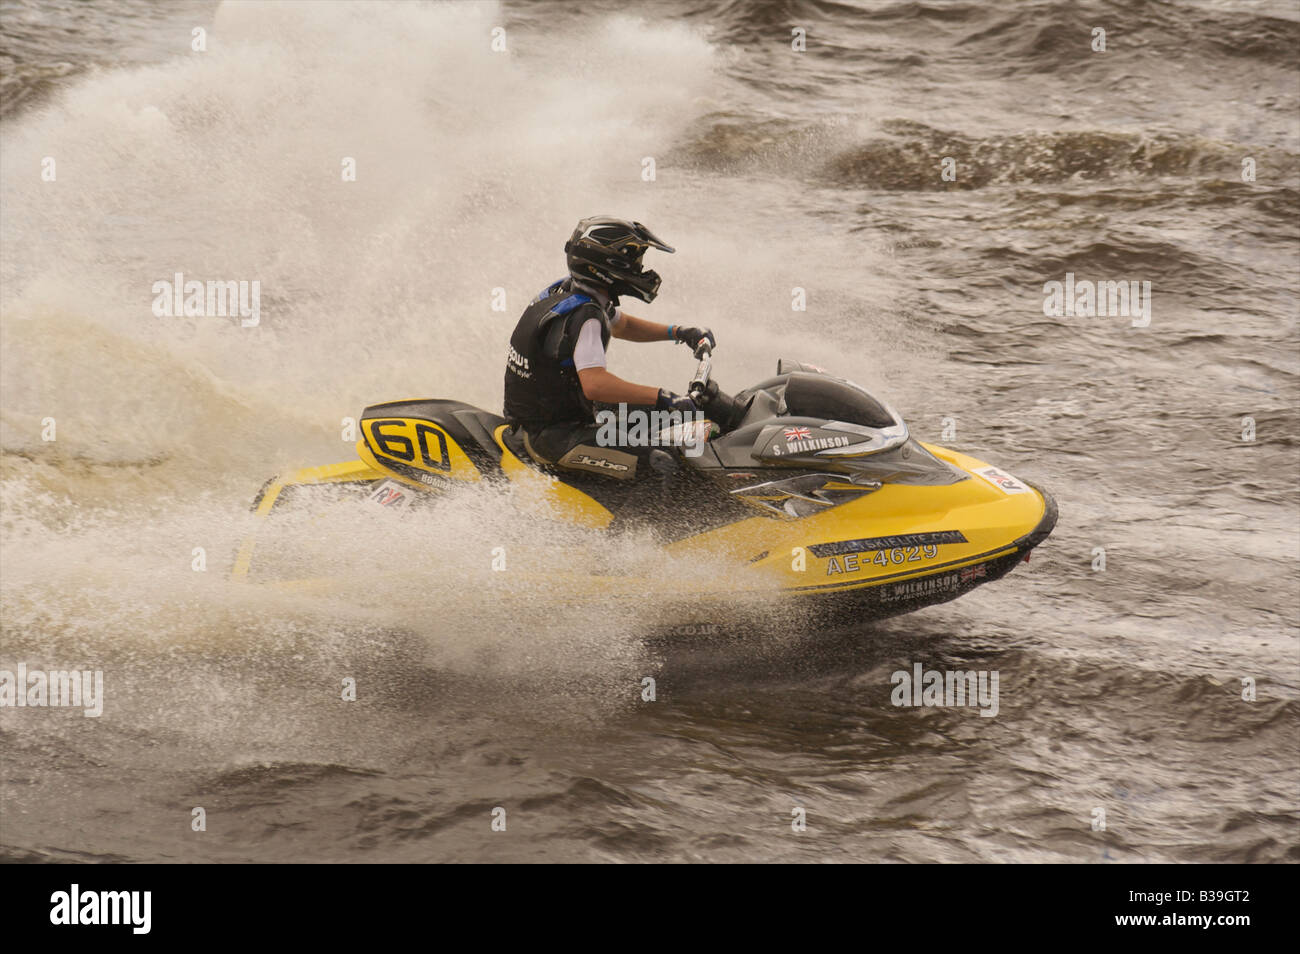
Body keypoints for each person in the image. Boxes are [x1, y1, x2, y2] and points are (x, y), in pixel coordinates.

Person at [503, 216, 715, 480]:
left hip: (550, 417)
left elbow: (622, 325)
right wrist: (665, 396)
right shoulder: (586, 315)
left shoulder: (568, 290)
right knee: (661, 462)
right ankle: (641, 524)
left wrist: (679, 332)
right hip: (553, 436)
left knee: (673, 421)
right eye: (635, 260)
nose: (641, 269)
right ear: (609, 263)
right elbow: (596, 385)